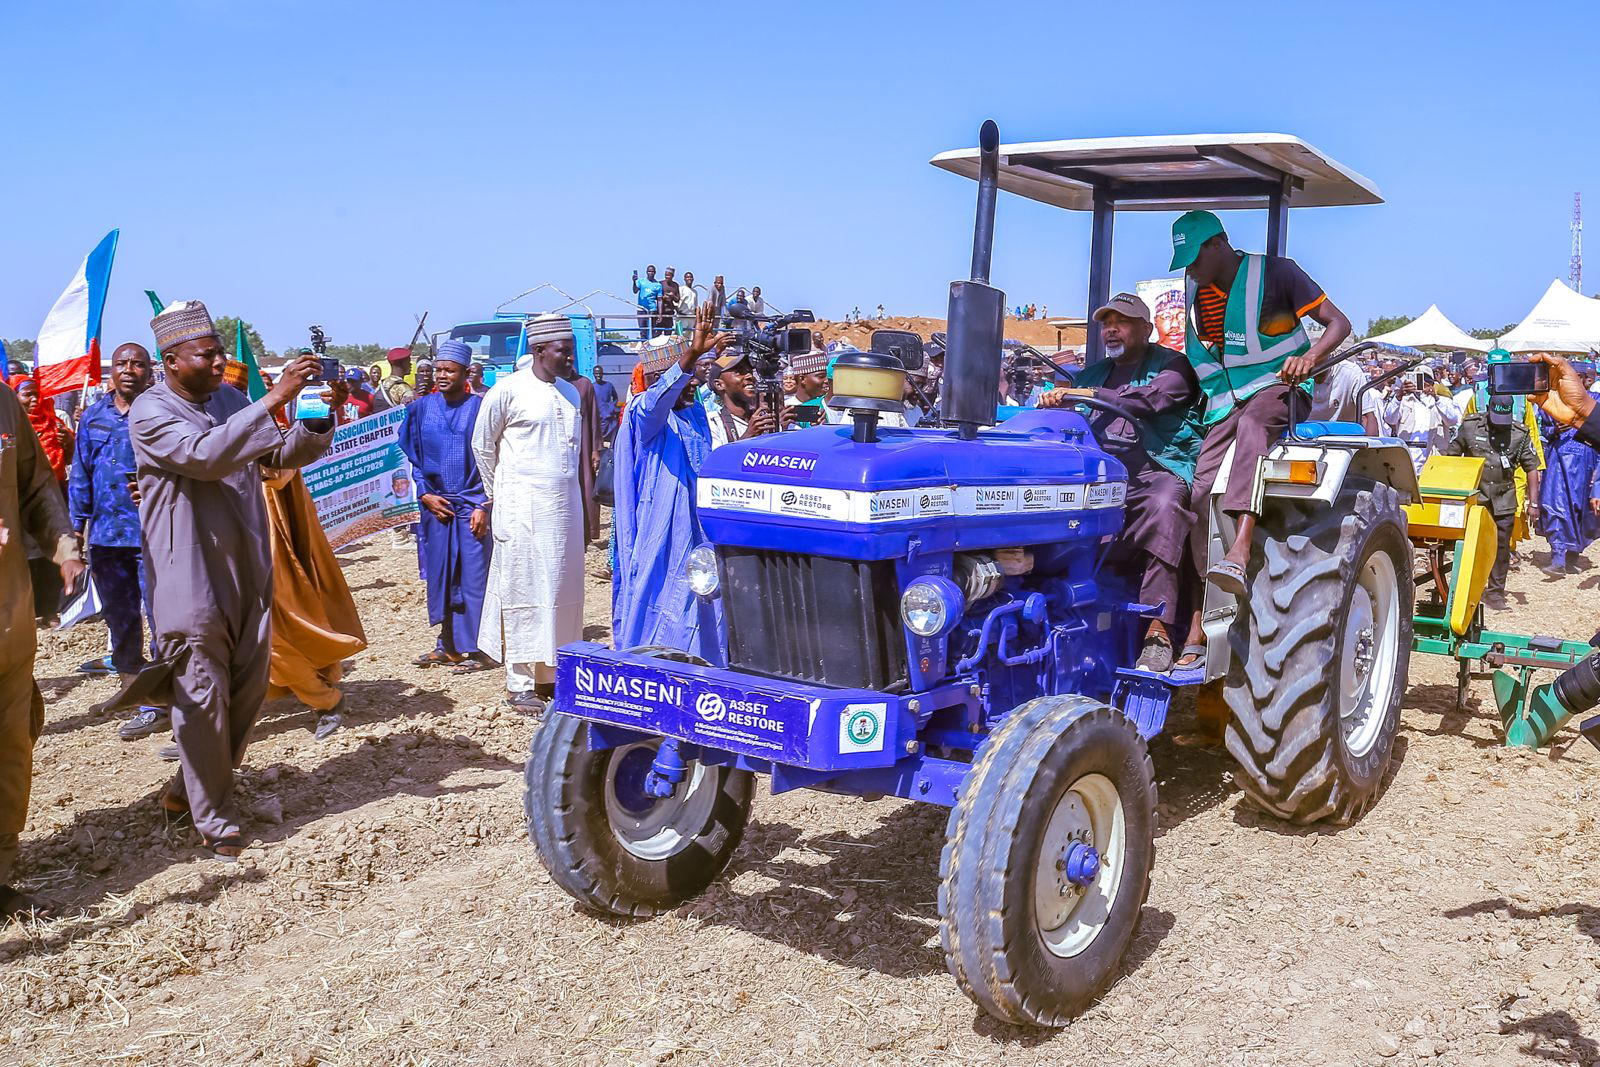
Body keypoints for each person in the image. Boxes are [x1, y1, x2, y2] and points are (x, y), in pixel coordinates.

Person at [131, 300, 333, 859]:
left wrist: (314, 424)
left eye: (220, 350)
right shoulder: (150, 412)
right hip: (188, 572)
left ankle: (185, 793)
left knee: (246, 690)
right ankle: (216, 821)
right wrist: (275, 397)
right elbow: (206, 456)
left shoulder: (228, 400)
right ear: (171, 360)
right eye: (208, 352)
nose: (220, 361)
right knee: (202, 692)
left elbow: (271, 455)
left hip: (246, 563)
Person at [1169, 209, 1351, 608]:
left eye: (1195, 260)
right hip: (1225, 402)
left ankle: (1240, 549)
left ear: (1218, 245)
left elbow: (1339, 323)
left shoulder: (1278, 273)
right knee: (1199, 489)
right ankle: (1204, 600)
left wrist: (1312, 357)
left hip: (1281, 389)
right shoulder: (1196, 292)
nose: (1191, 271)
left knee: (1254, 426)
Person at [1039, 293, 1203, 671]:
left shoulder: (1173, 366)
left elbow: (1145, 401)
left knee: (1164, 505)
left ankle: (1158, 630)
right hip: (1101, 475)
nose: (1112, 329)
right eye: (1106, 322)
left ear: (1146, 329)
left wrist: (1083, 395)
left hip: (1155, 469)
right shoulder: (1091, 373)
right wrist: (1056, 404)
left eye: (1123, 322)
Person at [471, 313, 586, 711]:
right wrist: (497, 494)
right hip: (521, 508)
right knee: (524, 587)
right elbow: (482, 446)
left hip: (564, 511)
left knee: (560, 589)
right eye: (564, 351)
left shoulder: (571, 394)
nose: (571, 358)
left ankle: (550, 675)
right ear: (539, 351)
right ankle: (519, 681)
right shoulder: (507, 390)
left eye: (571, 350)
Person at [0, 379, 84, 918]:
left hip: (9, 616)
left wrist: (63, 545)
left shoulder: (4, 404)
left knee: (10, 742)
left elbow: (33, 486)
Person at [612, 308, 731, 662]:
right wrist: (689, 356)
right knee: (660, 598)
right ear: (659, 380)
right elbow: (658, 402)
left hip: (697, 528)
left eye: (693, 375)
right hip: (660, 530)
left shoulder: (693, 413)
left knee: (702, 598)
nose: (693, 382)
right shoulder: (643, 414)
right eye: (685, 376)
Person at [68, 343, 167, 740]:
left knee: (163, 617)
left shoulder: (163, 410)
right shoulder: (93, 416)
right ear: (112, 371)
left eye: (138, 364)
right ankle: (132, 691)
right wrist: (75, 530)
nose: (130, 369)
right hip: (108, 538)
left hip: (156, 533)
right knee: (121, 618)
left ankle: (162, 702)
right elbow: (81, 475)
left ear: (150, 371)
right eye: (123, 363)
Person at [401, 340, 492, 672]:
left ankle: (480, 648)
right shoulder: (420, 409)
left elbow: (493, 460)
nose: (441, 375)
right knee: (441, 574)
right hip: (436, 505)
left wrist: (484, 503)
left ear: (466, 373)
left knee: (472, 576)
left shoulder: (482, 408)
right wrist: (424, 493)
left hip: (471, 503)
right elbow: (411, 458)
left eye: (448, 370)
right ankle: (448, 645)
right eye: (438, 369)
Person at [262, 460, 367, 740]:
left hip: (259, 531)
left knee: (268, 631)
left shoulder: (260, 425)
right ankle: (202, 731)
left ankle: (324, 697)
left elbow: (280, 470)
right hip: (213, 531)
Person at [1442, 397, 1541, 610]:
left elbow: (1532, 467)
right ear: (1488, 409)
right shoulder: (1469, 427)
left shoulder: (1519, 434)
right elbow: (1451, 456)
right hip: (1475, 497)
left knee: (1501, 548)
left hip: (1503, 498)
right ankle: (1466, 590)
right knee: (1471, 545)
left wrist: (1534, 503)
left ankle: (1495, 593)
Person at [706, 344, 788, 447]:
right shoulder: (713, 422)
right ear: (719, 385)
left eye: (749, 371)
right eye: (739, 372)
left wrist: (784, 430)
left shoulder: (766, 419)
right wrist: (749, 435)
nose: (749, 376)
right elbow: (717, 460)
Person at [560, 357, 603, 542]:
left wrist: (595, 449)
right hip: (559, 446)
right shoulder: (552, 385)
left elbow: (594, 418)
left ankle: (586, 534)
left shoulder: (584, 384)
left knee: (585, 486)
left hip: (583, 445)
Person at [1307, 351, 1381, 433]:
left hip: (1343, 438)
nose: (1315, 373)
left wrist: (1370, 442)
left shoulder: (1350, 372)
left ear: (1330, 358)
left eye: (1320, 372)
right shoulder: (1299, 374)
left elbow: (1367, 416)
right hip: (1305, 437)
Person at [372, 347, 416, 411]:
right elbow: (412, 410)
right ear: (402, 363)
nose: (410, 364)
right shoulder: (403, 388)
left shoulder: (382, 384)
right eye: (408, 361)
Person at [592, 365, 620, 441]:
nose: (598, 375)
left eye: (600, 373)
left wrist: (611, 407)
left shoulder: (609, 385)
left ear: (602, 374)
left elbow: (615, 398)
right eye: (596, 373)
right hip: (598, 417)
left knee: (611, 438)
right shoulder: (591, 387)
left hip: (608, 416)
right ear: (593, 374)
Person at [633, 265, 663, 337]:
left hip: (652, 310)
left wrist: (660, 314)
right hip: (641, 309)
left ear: (655, 272)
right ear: (646, 272)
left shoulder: (658, 285)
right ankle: (644, 346)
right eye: (649, 271)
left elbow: (659, 300)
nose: (651, 273)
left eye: (652, 271)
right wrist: (634, 282)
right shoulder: (641, 281)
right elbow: (635, 291)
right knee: (643, 331)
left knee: (652, 331)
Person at [660, 266, 681, 335]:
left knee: (668, 334)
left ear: (672, 276)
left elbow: (677, 299)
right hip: (660, 312)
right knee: (657, 333)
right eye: (666, 275)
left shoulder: (675, 285)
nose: (667, 277)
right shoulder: (660, 284)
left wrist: (672, 296)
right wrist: (663, 297)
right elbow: (655, 297)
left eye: (669, 275)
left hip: (669, 312)